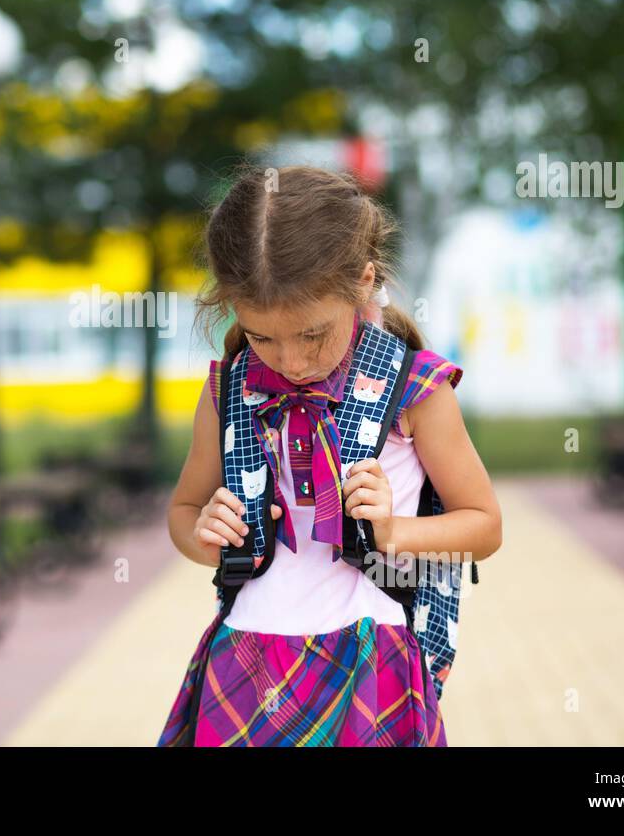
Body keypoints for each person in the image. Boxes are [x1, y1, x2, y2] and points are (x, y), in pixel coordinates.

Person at [157, 164, 502, 747]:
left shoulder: (413, 389)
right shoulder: (228, 392)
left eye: (312, 334)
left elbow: (484, 526)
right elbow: (183, 512)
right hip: (246, 657)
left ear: (363, 282)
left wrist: (392, 532)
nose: (290, 361)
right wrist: (204, 534)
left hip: (369, 660)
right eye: (262, 337)